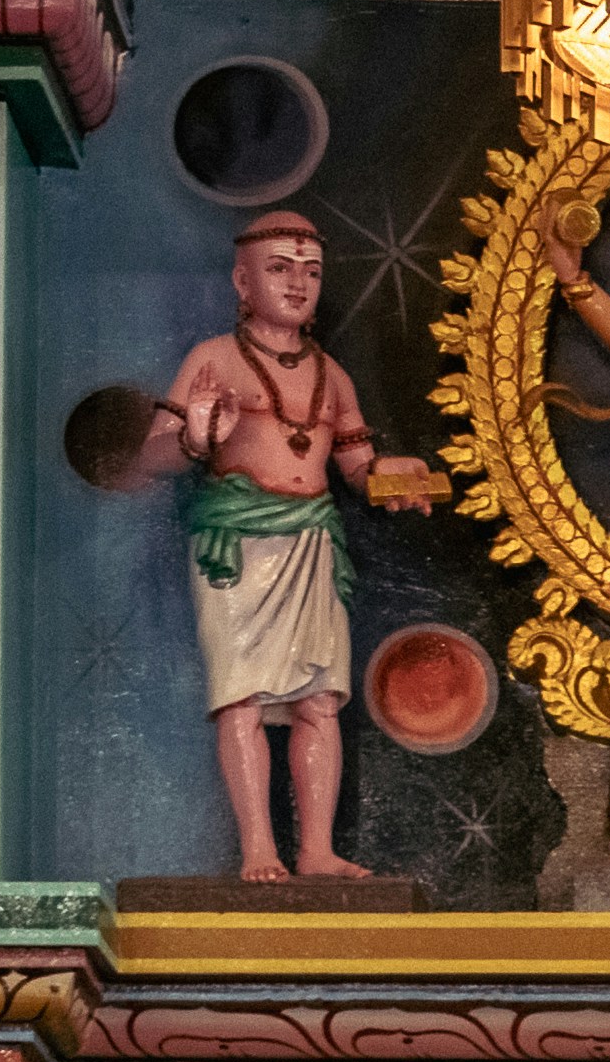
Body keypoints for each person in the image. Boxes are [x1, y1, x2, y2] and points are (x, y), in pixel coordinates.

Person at [164, 211, 450, 880]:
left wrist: (397, 478)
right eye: (279, 268)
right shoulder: (210, 360)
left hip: (312, 541)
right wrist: (197, 434)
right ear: (242, 280)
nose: (297, 283)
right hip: (234, 542)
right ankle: (258, 848)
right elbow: (155, 456)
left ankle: (316, 850)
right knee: (240, 697)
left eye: (311, 271)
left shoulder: (333, 375)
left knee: (319, 699)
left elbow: (355, 465)